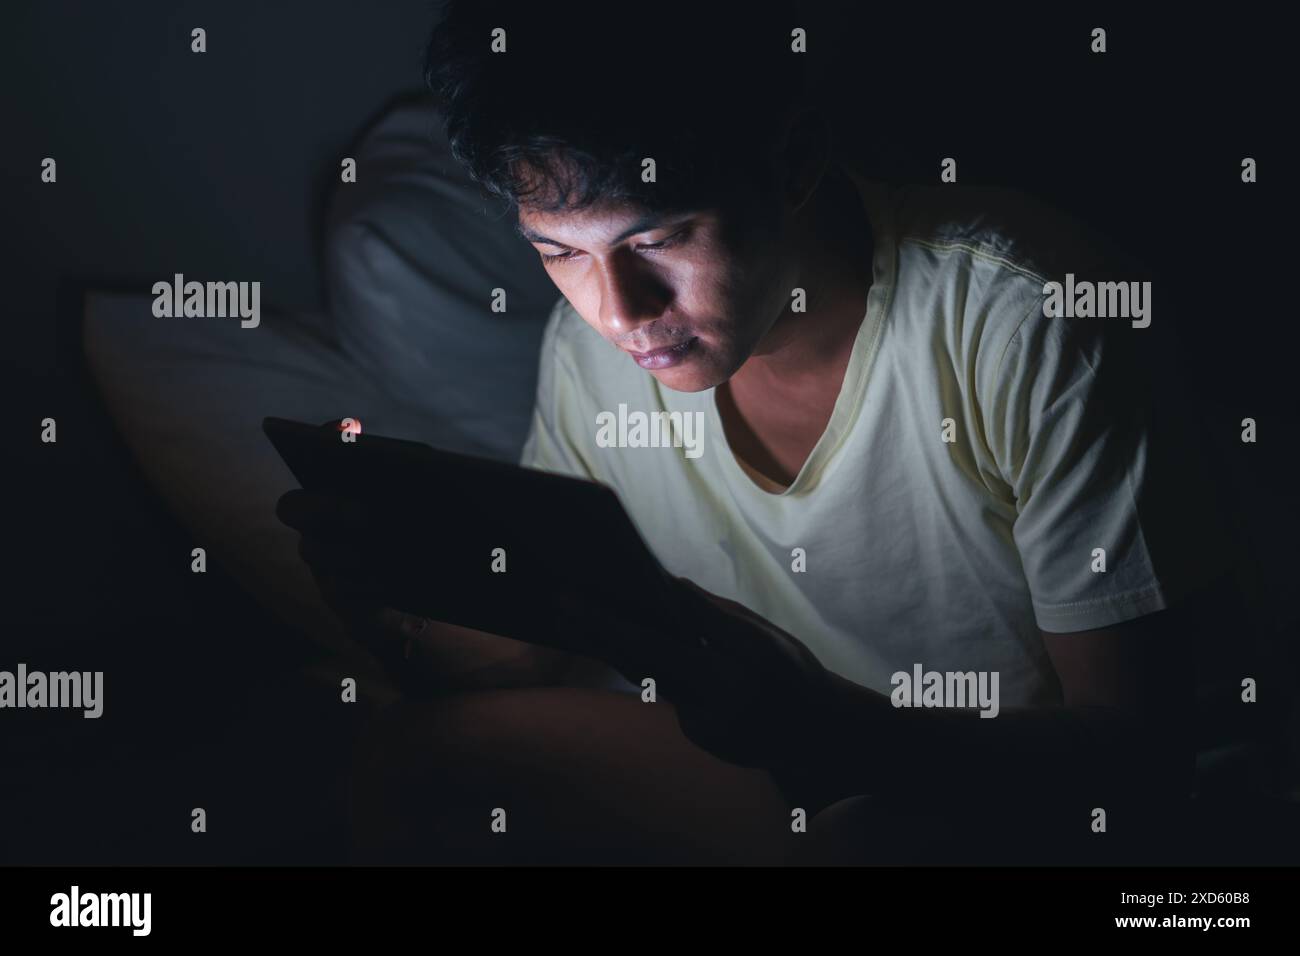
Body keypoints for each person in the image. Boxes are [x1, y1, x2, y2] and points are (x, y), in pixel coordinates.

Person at [276, 0, 1236, 864]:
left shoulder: (1026, 318)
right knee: (412, 765)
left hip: (1007, 786)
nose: (622, 312)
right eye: (559, 252)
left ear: (795, 159)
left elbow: (1137, 767)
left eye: (658, 239)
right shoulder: (588, 347)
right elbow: (529, 658)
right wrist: (384, 598)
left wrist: (829, 730)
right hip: (791, 771)